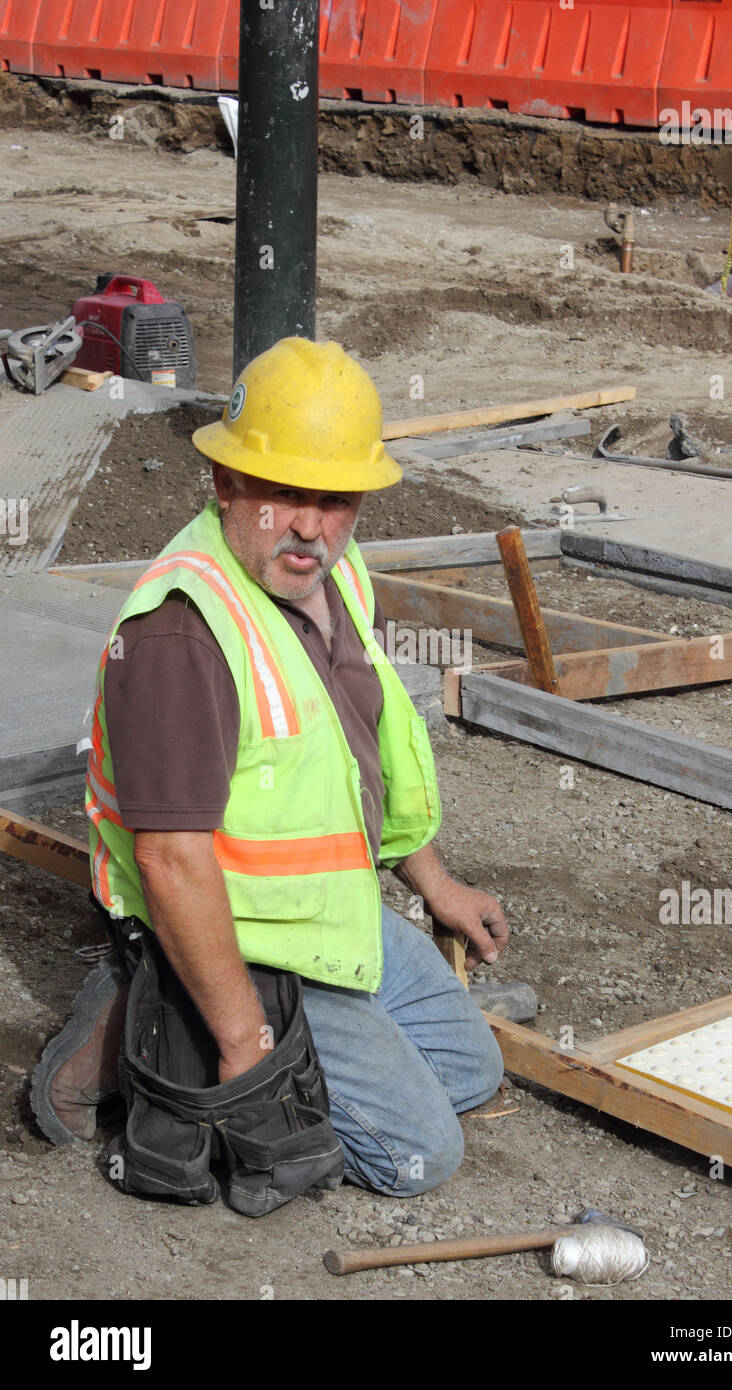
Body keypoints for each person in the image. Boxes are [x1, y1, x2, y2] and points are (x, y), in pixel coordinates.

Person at [33, 337, 508, 1197]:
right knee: (418, 1159)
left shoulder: (334, 572)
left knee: (472, 1073)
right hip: (241, 938)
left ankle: (195, 1014)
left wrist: (435, 884)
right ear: (225, 485)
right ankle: (151, 1005)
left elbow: (368, 753)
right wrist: (247, 1046)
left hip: (326, 915)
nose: (309, 524)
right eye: (282, 493)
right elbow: (171, 858)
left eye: (334, 500)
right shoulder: (183, 629)